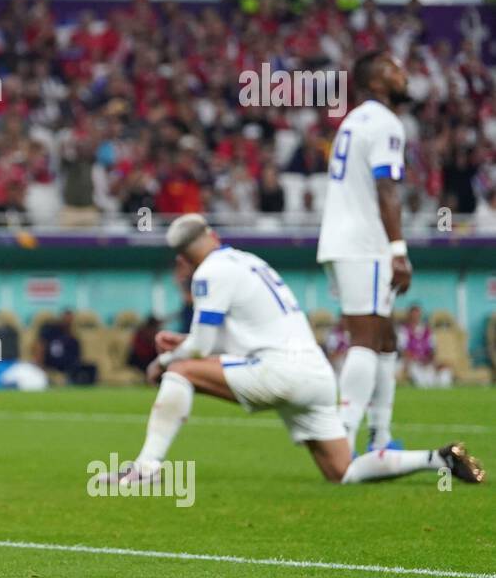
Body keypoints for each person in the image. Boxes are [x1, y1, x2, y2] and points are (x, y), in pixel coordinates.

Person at [110, 215, 482, 487]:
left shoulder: (208, 272)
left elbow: (202, 347)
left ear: (182, 260)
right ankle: (437, 458)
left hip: (278, 371)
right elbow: (239, 335)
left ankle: (147, 467)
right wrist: (184, 346)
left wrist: (163, 361)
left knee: (179, 373)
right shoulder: (248, 260)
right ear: (213, 234)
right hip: (315, 375)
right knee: (343, 472)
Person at [317, 51, 411, 453]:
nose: (401, 72)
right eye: (391, 69)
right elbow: (386, 187)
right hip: (364, 244)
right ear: (375, 83)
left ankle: (382, 435)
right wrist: (398, 249)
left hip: (341, 240)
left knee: (385, 337)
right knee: (365, 339)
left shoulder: (353, 121)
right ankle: (342, 437)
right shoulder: (386, 123)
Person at [35, 309, 97, 384]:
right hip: (50, 365)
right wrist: (40, 364)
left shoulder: (73, 339)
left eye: (70, 320)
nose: (68, 322)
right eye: (66, 319)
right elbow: (40, 346)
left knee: (90, 368)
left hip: (67, 368)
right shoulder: (51, 331)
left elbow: (77, 358)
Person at [398, 304, 453, 388]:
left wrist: (429, 360)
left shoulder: (427, 330)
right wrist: (416, 359)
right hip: (413, 363)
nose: (415, 317)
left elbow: (433, 349)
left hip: (427, 362)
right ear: (409, 316)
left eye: (417, 315)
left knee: (445, 372)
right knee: (419, 376)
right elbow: (403, 350)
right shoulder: (403, 330)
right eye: (413, 315)